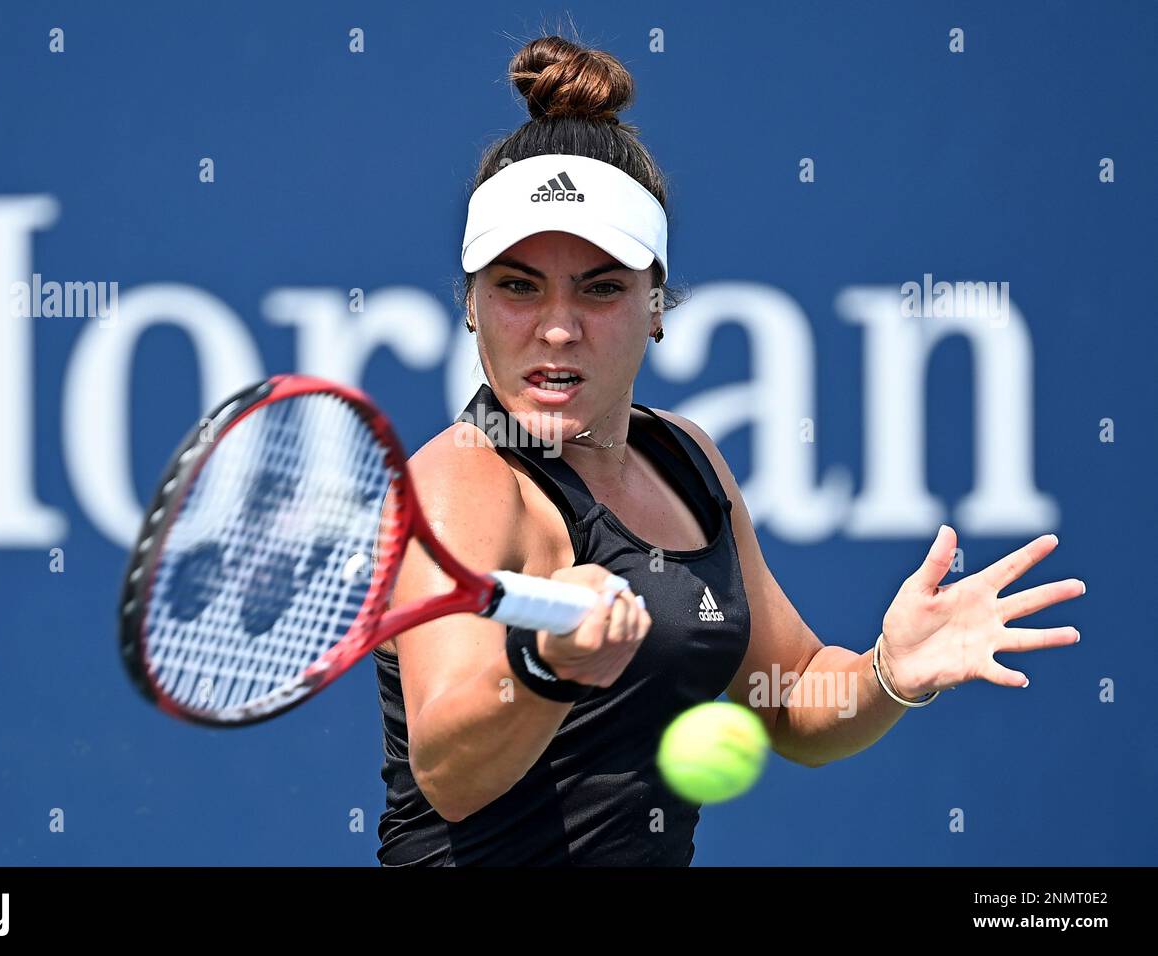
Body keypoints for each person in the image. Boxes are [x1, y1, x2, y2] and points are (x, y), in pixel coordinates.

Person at [371, 34, 1084, 866]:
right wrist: (547, 666)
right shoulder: (461, 480)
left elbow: (789, 702)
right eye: (517, 286)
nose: (557, 328)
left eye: (601, 288)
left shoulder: (685, 459)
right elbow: (449, 773)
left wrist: (889, 672)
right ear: (470, 303)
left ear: (657, 306)